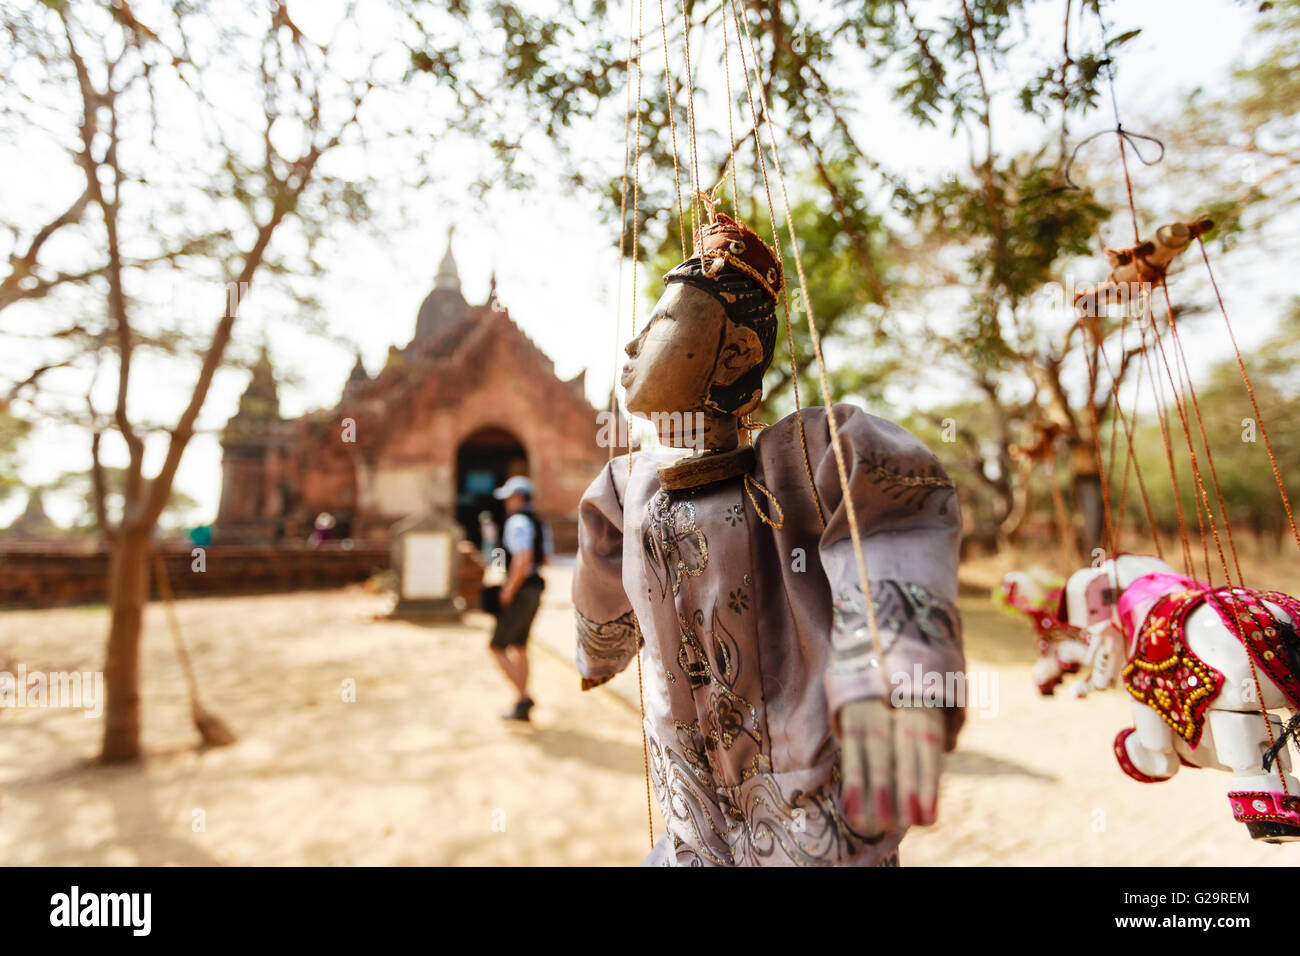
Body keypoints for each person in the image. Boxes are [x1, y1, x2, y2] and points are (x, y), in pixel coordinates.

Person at [572, 210, 965, 866]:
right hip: (694, 825)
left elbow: (893, 527)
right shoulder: (622, 489)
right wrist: (600, 649)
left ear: (737, 354)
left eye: (659, 324)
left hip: (815, 824)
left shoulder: (811, 461)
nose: (630, 346)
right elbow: (601, 604)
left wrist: (894, 681)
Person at [489, 475, 549, 721]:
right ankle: (521, 701)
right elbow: (543, 558)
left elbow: (522, 559)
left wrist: (508, 591)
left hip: (521, 590)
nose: (506, 503)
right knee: (520, 646)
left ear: (518, 498)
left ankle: (524, 697)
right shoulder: (539, 523)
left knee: (496, 646)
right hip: (535, 589)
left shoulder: (517, 523)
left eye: (509, 498)